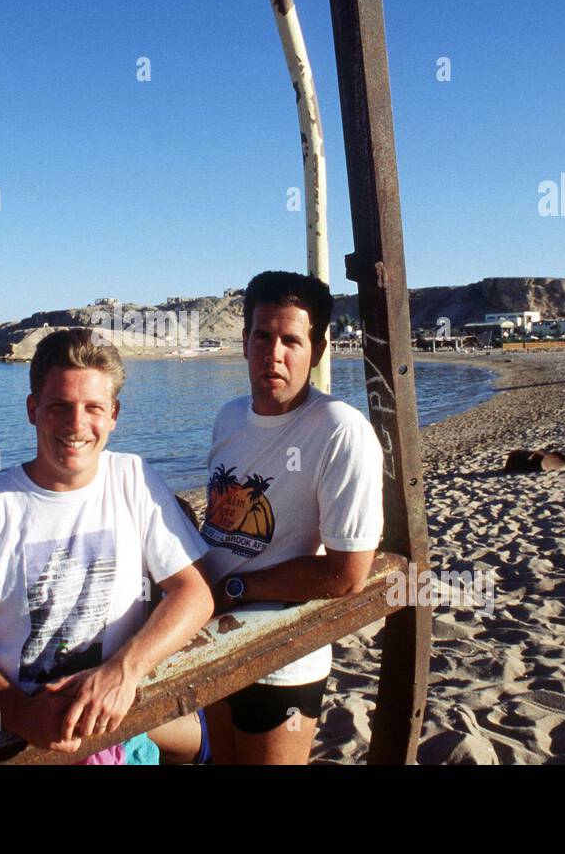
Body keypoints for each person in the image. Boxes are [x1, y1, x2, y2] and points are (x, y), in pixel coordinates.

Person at [0, 329, 213, 763]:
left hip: (116, 723)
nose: (77, 425)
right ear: (33, 409)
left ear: (113, 414)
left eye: (93, 408)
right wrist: (18, 711)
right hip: (15, 735)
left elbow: (195, 591)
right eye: (59, 407)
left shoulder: (132, 479)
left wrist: (122, 671)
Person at [198, 270, 384, 764]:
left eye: (290, 340)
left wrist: (236, 590)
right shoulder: (229, 416)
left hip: (279, 657)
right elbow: (220, 525)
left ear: (317, 350)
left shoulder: (339, 430)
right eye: (262, 336)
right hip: (204, 641)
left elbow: (347, 575)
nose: (273, 353)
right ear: (244, 343)